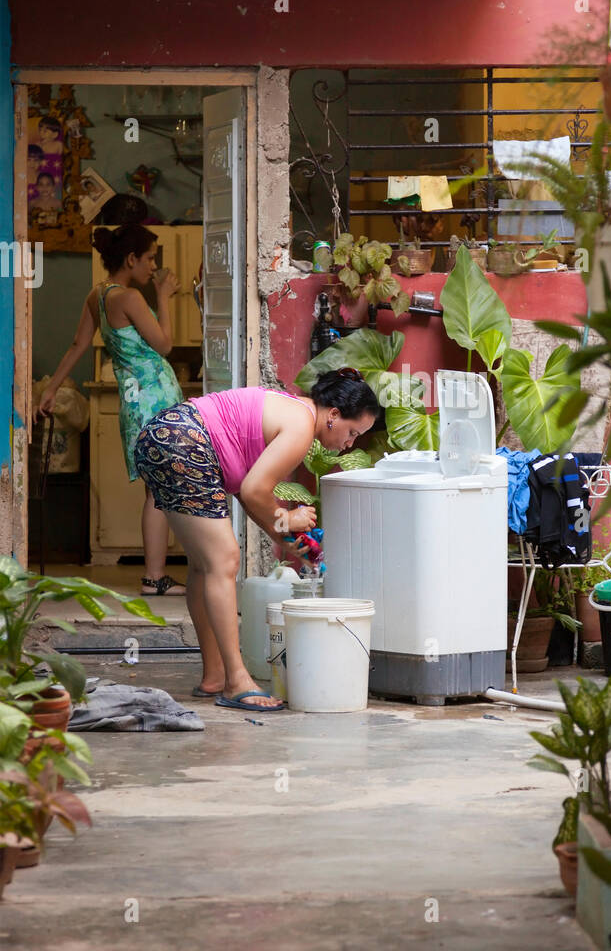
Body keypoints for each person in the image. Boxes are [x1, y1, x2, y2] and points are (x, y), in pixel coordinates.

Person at [132, 370, 380, 711]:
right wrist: (288, 518)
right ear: (334, 415)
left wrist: (286, 536)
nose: (350, 443)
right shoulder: (302, 426)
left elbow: (251, 497)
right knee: (224, 560)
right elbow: (254, 491)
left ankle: (215, 677)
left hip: (163, 437)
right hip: (186, 442)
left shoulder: (294, 411)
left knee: (205, 566)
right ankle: (237, 681)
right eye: (353, 433)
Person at [38, 222, 186, 597]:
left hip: (134, 402)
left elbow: (77, 344)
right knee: (161, 492)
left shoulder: (97, 294)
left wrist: (52, 389)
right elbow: (165, 345)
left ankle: (157, 575)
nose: (153, 266)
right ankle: (155, 578)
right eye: (150, 258)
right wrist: (163, 295)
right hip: (155, 398)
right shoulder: (130, 298)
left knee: (157, 489)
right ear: (131, 258)